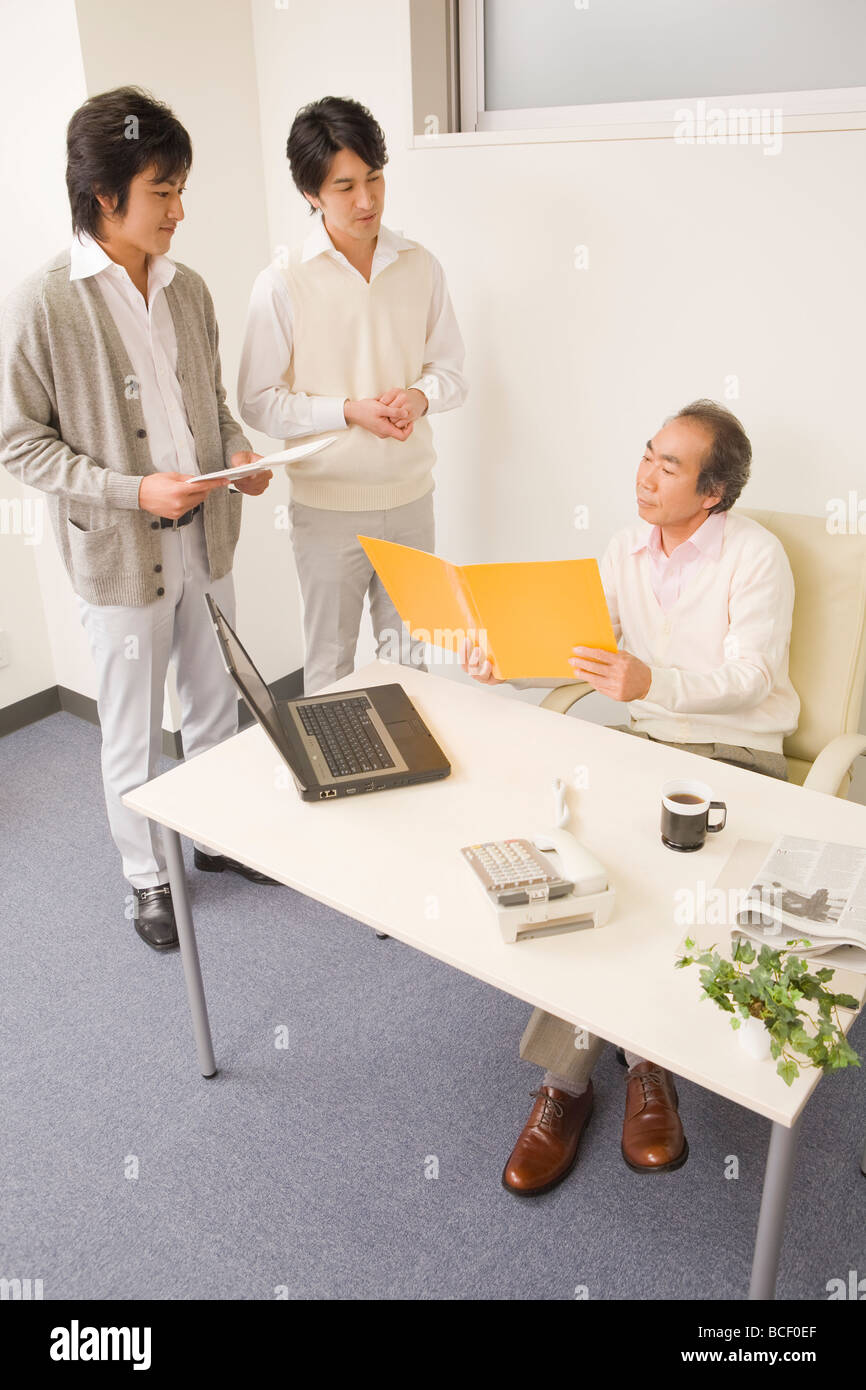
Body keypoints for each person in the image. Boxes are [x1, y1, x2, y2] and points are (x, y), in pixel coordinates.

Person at [461, 399, 799, 1194]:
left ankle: (612, 1071)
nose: (646, 474)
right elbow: (580, 648)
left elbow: (753, 677)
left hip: (737, 754)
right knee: (583, 866)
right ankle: (597, 1077)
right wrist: (503, 662)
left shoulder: (757, 556)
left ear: (711, 492)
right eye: (648, 453)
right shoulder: (624, 549)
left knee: (646, 883)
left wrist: (660, 683)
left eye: (670, 466)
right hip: (648, 749)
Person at [0, 87, 278, 954]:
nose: (180, 211)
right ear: (105, 194)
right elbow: (20, 447)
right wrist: (133, 491)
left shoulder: (186, 288)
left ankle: (214, 836)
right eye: (164, 192)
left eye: (181, 189)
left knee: (212, 700)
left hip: (207, 536)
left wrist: (240, 458)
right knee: (129, 726)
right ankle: (146, 878)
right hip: (121, 556)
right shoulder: (44, 303)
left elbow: (212, 406)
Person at [238, 95, 467, 695]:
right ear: (310, 193)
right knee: (330, 668)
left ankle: (413, 787)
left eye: (374, 178)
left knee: (411, 667)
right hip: (327, 509)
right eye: (345, 187)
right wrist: (345, 412)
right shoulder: (281, 280)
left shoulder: (420, 264)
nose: (366, 200)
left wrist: (418, 398)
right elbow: (258, 401)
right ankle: (331, 787)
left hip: (412, 501)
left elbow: (451, 372)